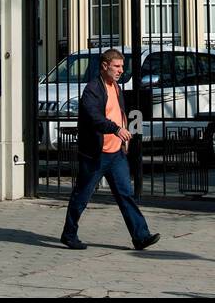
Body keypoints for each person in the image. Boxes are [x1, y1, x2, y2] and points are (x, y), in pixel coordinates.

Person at [60, 48, 160, 251]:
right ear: (105, 66)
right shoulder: (92, 89)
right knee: (82, 195)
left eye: (122, 66)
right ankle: (69, 234)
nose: (121, 70)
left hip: (116, 154)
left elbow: (119, 113)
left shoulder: (116, 87)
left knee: (125, 194)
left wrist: (124, 136)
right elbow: (94, 118)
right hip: (96, 154)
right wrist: (116, 129)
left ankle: (140, 236)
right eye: (117, 66)